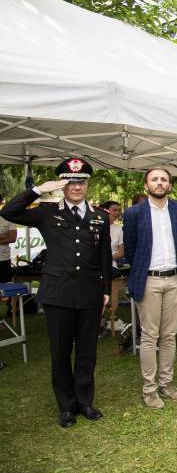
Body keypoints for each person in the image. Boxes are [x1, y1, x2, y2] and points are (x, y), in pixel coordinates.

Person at [0, 157, 110, 428]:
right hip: (57, 293)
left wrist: (106, 289)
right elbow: (9, 212)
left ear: (87, 184)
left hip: (89, 292)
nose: (76, 186)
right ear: (62, 184)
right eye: (71, 181)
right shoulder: (47, 212)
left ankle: (84, 402)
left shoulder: (100, 216)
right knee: (60, 352)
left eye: (81, 181)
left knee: (87, 352)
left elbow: (105, 257)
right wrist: (38, 189)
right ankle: (66, 406)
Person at [123, 168, 177, 409]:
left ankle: (167, 384)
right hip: (149, 280)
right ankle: (149, 390)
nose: (159, 183)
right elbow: (130, 249)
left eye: (164, 179)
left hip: (174, 280)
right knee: (150, 336)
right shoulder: (134, 213)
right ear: (146, 185)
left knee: (169, 336)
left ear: (169, 184)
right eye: (154, 179)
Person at [97, 200, 124, 339]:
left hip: (110, 266)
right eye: (114, 210)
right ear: (105, 211)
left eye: (118, 210)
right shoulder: (95, 225)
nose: (117, 213)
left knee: (106, 293)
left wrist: (107, 257)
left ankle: (101, 324)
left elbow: (121, 252)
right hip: (93, 266)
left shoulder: (119, 229)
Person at [0, 194, 17, 319]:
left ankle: (9, 315)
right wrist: (3, 236)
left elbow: (12, 237)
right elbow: (7, 237)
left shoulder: (7, 217)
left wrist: (7, 236)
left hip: (3, 260)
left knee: (6, 290)